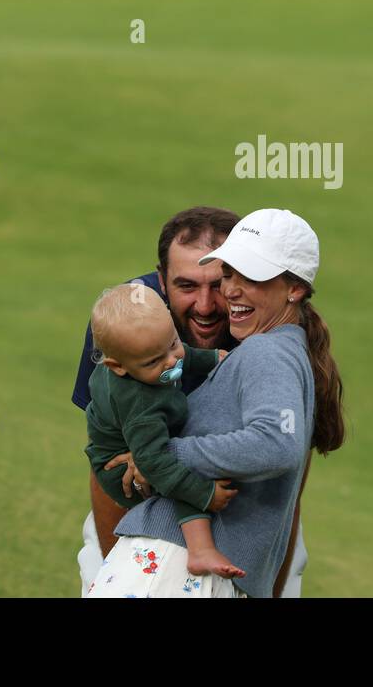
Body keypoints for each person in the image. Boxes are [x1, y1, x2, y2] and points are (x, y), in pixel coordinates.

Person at [86, 208, 345, 598]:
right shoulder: (280, 352)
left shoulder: (265, 352)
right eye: (229, 273)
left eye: (252, 276)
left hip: (174, 567)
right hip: (184, 568)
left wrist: (164, 454)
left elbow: (278, 445)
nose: (230, 290)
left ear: (295, 289)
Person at [84, 286, 244, 583]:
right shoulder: (140, 403)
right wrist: (203, 493)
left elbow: (182, 356)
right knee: (172, 475)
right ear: (117, 367)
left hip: (136, 441)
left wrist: (213, 358)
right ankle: (200, 550)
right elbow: (155, 463)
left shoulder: (154, 353)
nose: (171, 362)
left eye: (172, 344)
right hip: (120, 466)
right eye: (153, 362)